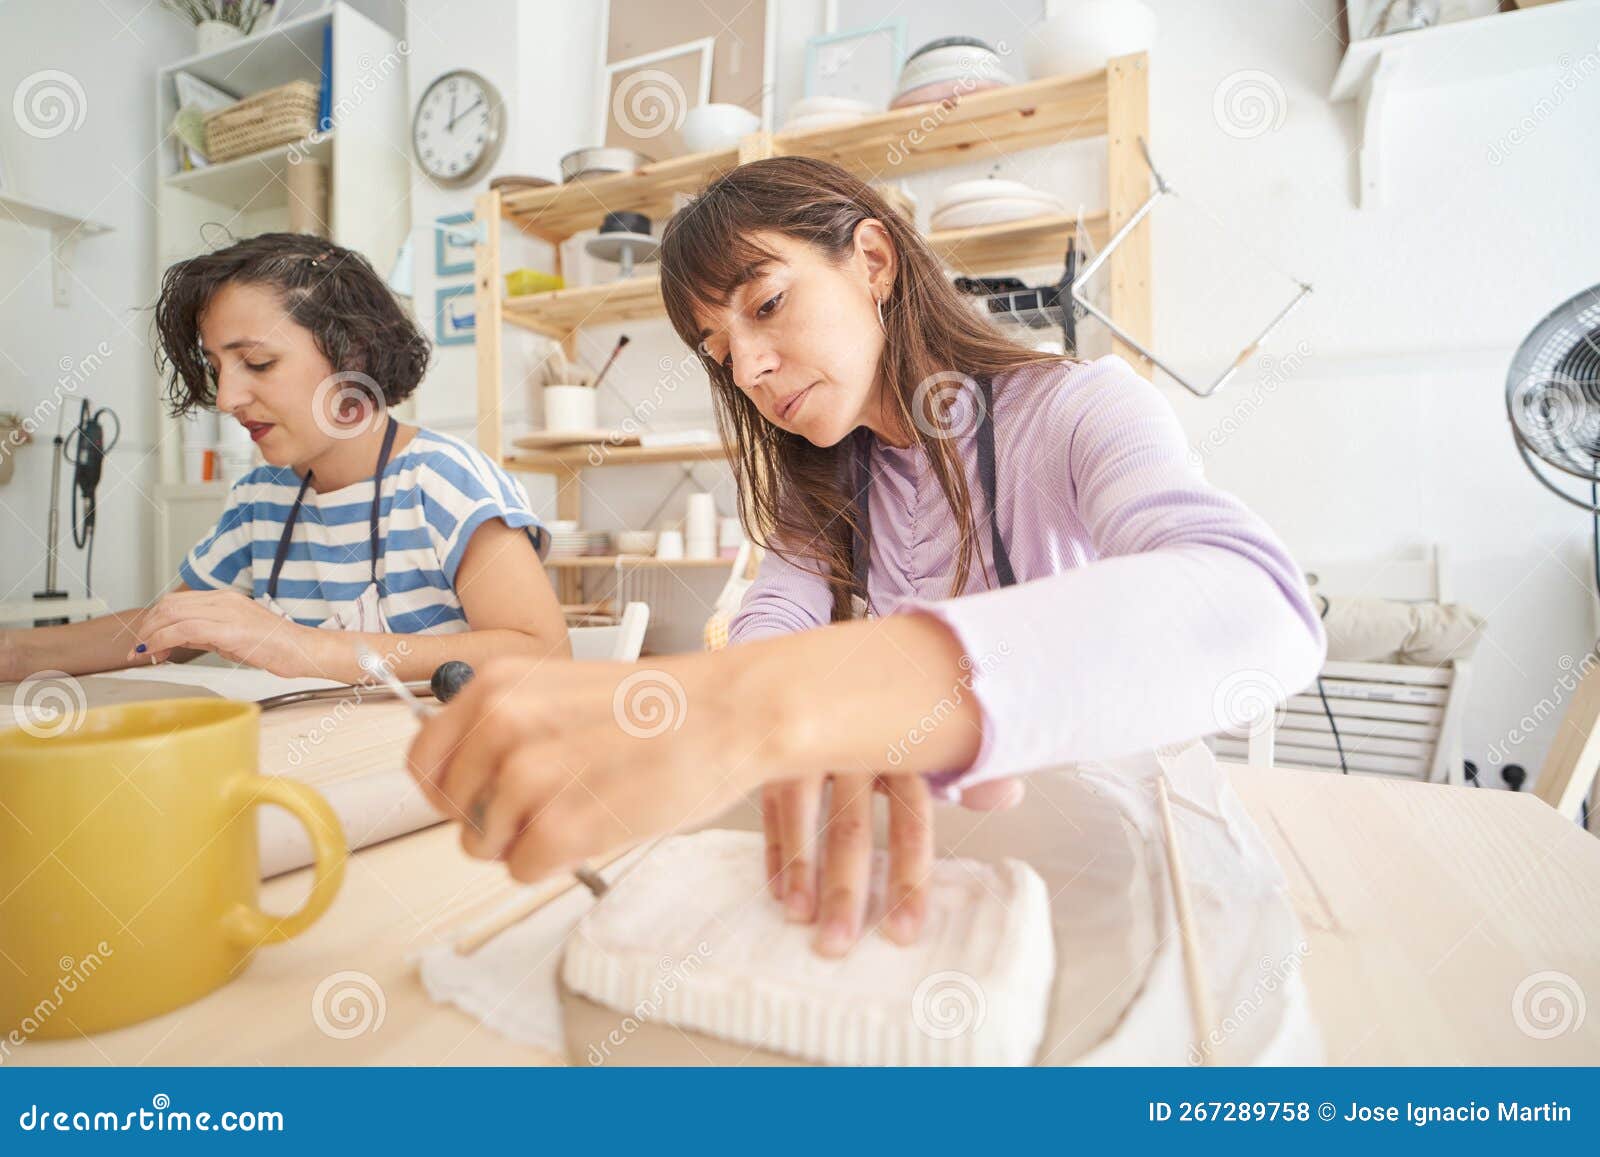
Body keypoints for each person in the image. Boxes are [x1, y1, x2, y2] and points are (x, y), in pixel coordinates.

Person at [405, 157, 1326, 956]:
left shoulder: (1080, 407)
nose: (752, 369)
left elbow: (1254, 607)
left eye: (767, 305)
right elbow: (778, 615)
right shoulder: (824, 478)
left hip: (1110, 848)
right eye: (720, 353)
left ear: (873, 262)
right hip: (949, 849)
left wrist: (787, 705)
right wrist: (787, 708)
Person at [0, 234, 567, 686]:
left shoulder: (444, 481)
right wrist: (15, 652)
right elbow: (169, 628)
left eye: (259, 363)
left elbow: (543, 653)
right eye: (219, 368)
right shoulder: (260, 497)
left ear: (353, 353)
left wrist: (305, 648)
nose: (226, 399)